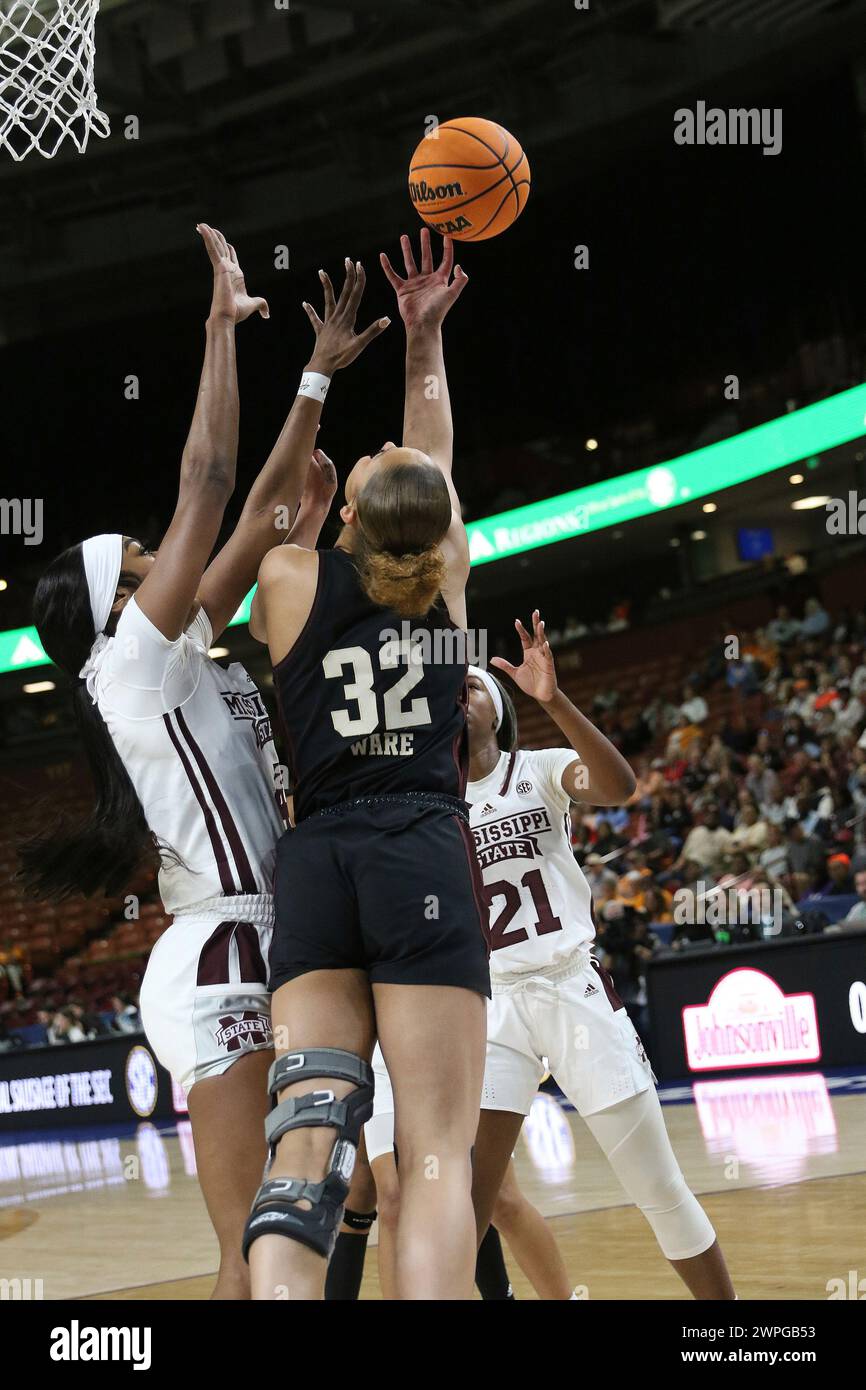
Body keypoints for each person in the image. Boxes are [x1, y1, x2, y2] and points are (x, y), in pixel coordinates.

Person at [21, 226, 386, 1298]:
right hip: (223, 948)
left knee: (332, 1206)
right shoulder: (127, 665)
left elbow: (268, 502)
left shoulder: (176, 647)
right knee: (250, 1246)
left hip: (285, 927)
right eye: (141, 564)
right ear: (116, 610)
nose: (163, 559)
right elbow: (213, 479)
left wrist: (316, 379)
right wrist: (222, 329)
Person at [244, 229, 488, 1301]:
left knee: (308, 1136)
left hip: (317, 858)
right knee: (433, 1157)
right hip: (417, 848)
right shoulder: (445, 575)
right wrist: (423, 341)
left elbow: (396, 477)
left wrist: (315, 499)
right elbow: (424, 465)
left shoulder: (289, 577)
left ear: (345, 511)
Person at [364, 628, 735, 1300]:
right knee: (463, 1211)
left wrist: (556, 699)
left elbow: (619, 787)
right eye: (451, 688)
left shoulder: (536, 768)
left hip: (569, 988)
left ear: (499, 708)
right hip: (491, 1005)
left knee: (658, 1188)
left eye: (472, 684)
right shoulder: (427, 808)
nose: (460, 694)